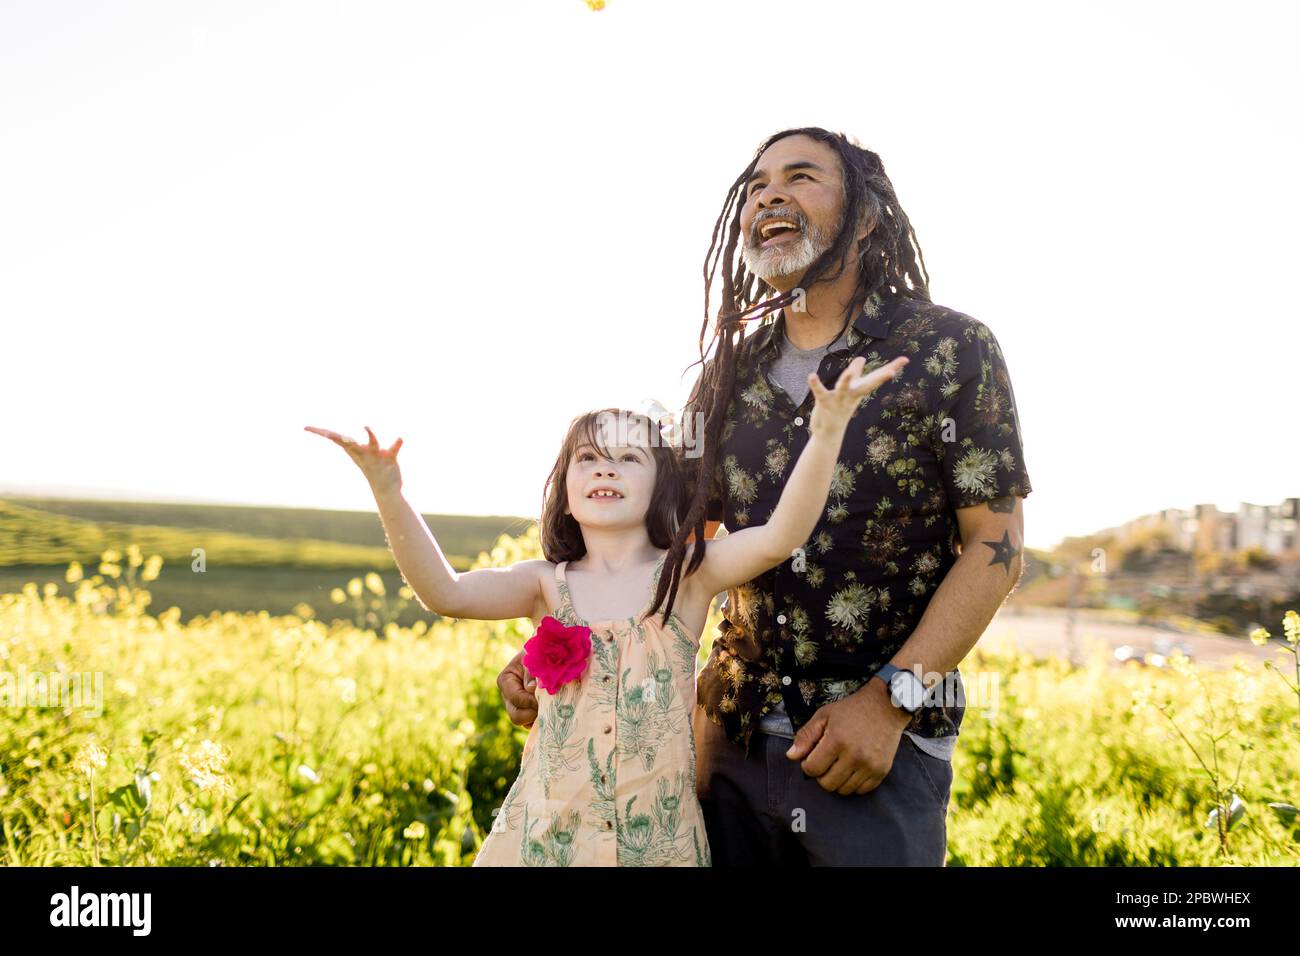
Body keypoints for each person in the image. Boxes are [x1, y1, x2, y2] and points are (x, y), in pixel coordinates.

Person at [500, 127, 1032, 866]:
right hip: (725, 743)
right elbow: (668, 549)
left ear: (867, 214)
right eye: (756, 185)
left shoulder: (950, 349)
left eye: (802, 176)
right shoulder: (723, 374)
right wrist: (566, 652)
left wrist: (887, 705)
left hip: (876, 750)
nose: (770, 194)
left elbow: (996, 549)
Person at [304, 354, 905, 866]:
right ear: (564, 486)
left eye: (627, 458)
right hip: (543, 841)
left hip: (657, 847)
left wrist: (826, 433)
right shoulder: (544, 584)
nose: (605, 468)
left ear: (661, 486)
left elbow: (779, 537)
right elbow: (447, 593)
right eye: (588, 459)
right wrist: (389, 493)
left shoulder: (687, 575)